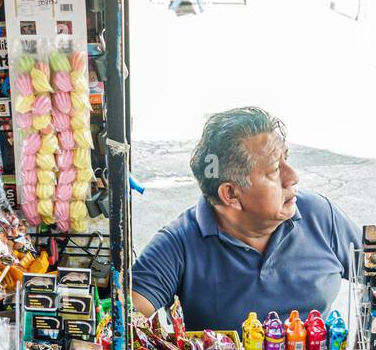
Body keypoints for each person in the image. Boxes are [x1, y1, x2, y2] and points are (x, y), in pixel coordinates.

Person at [131, 107, 360, 332]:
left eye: (286, 160)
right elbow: (122, 324)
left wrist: (367, 347)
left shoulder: (320, 216)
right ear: (230, 194)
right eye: (274, 171)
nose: (293, 177)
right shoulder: (177, 244)